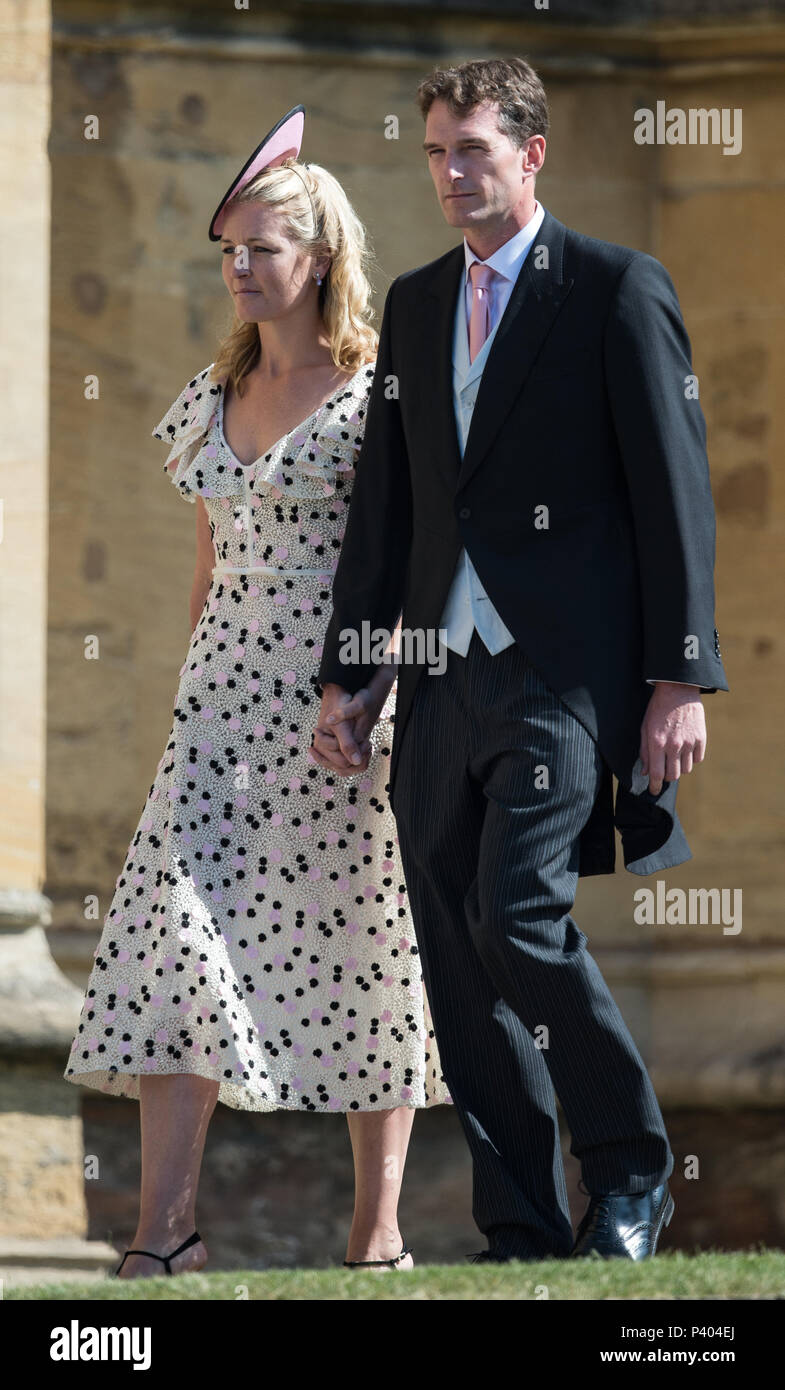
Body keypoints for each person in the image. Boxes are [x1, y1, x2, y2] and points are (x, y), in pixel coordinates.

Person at [313, 59, 729, 1262]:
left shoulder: (611, 287)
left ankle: (630, 1173)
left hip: (562, 672)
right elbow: (389, 508)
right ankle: (521, 1227)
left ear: (530, 153)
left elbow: (672, 491)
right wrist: (354, 672)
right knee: (451, 943)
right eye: (435, 153)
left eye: (471, 151)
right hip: (439, 669)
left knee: (516, 912)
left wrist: (677, 676)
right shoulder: (411, 303)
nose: (449, 174)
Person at [63, 106, 450, 1281]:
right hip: (218, 712)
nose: (237, 268)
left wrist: (377, 687)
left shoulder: (381, 387)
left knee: (365, 947)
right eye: (226, 249)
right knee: (172, 934)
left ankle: (377, 1233)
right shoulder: (211, 391)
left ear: (319, 256)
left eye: (259, 248)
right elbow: (204, 567)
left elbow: (420, 555)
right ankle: (162, 1234)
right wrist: (188, 702)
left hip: (342, 709)